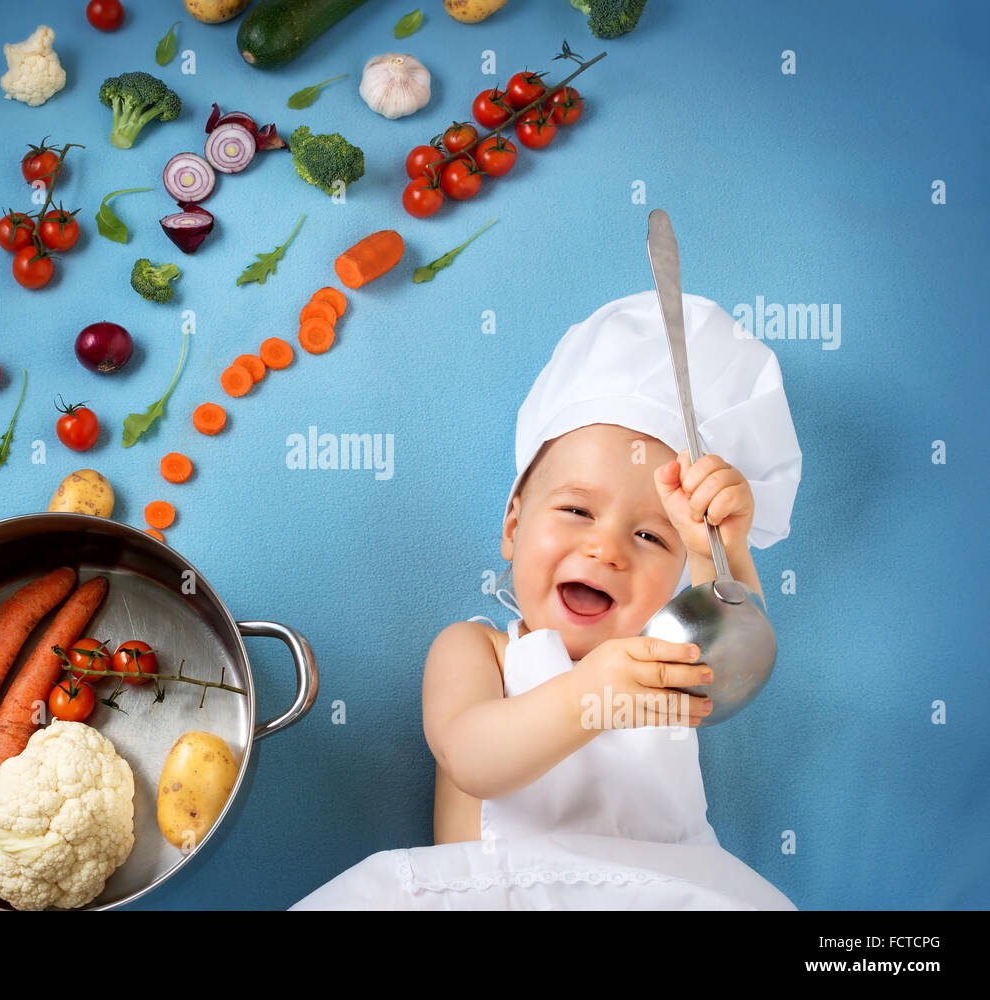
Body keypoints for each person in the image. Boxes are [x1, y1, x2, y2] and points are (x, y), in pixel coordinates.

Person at [291, 290, 802, 910]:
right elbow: (472, 758)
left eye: (649, 536)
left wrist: (720, 546)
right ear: (513, 524)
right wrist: (591, 696)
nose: (606, 550)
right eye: (577, 510)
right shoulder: (479, 649)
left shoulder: (667, 666)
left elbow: (733, 646)